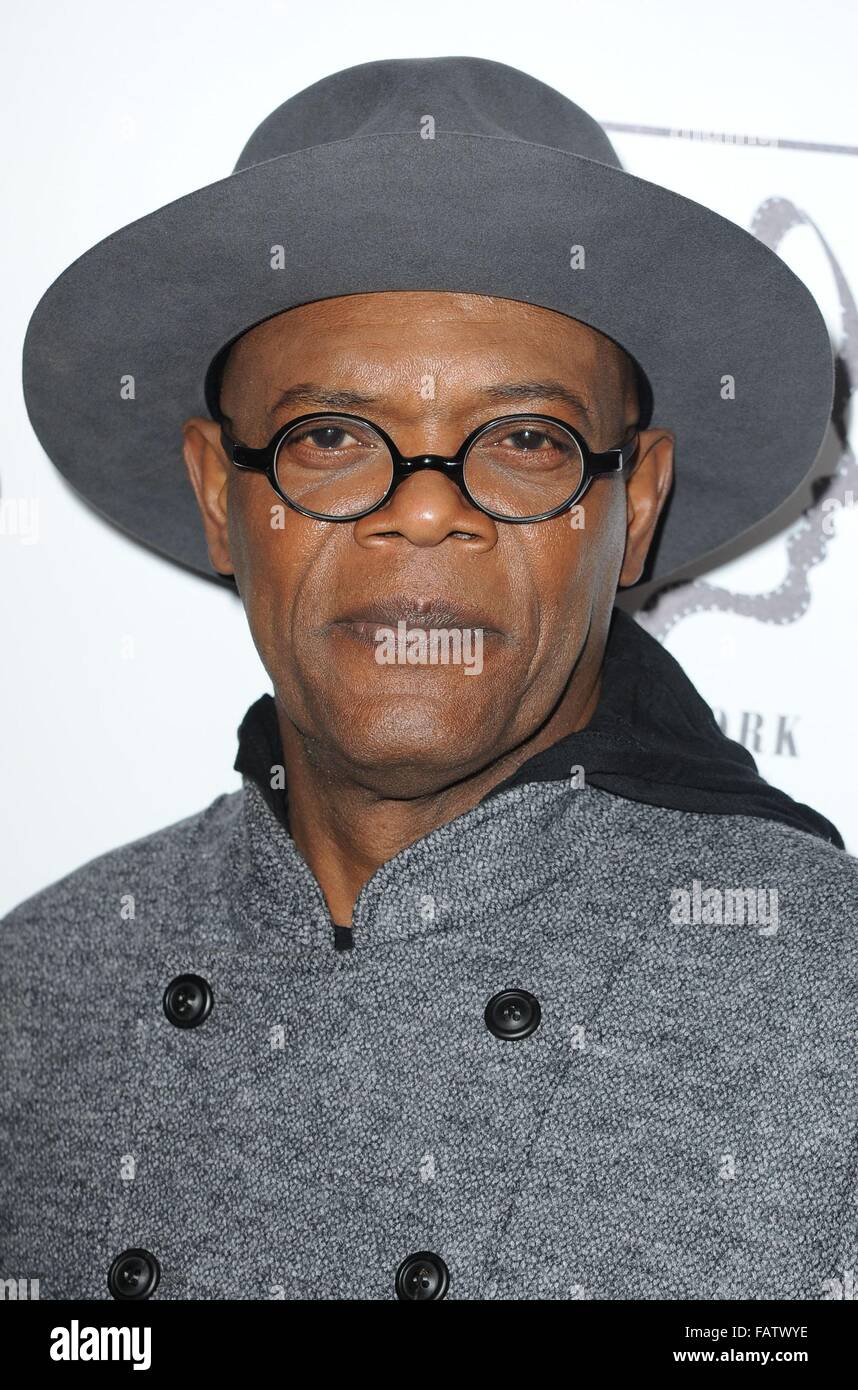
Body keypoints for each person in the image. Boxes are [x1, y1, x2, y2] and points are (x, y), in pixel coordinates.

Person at [3, 56, 855, 1302]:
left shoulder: (830, 1001)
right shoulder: (35, 998)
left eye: (523, 441)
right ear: (217, 497)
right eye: (331, 438)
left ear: (638, 501)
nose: (421, 515)